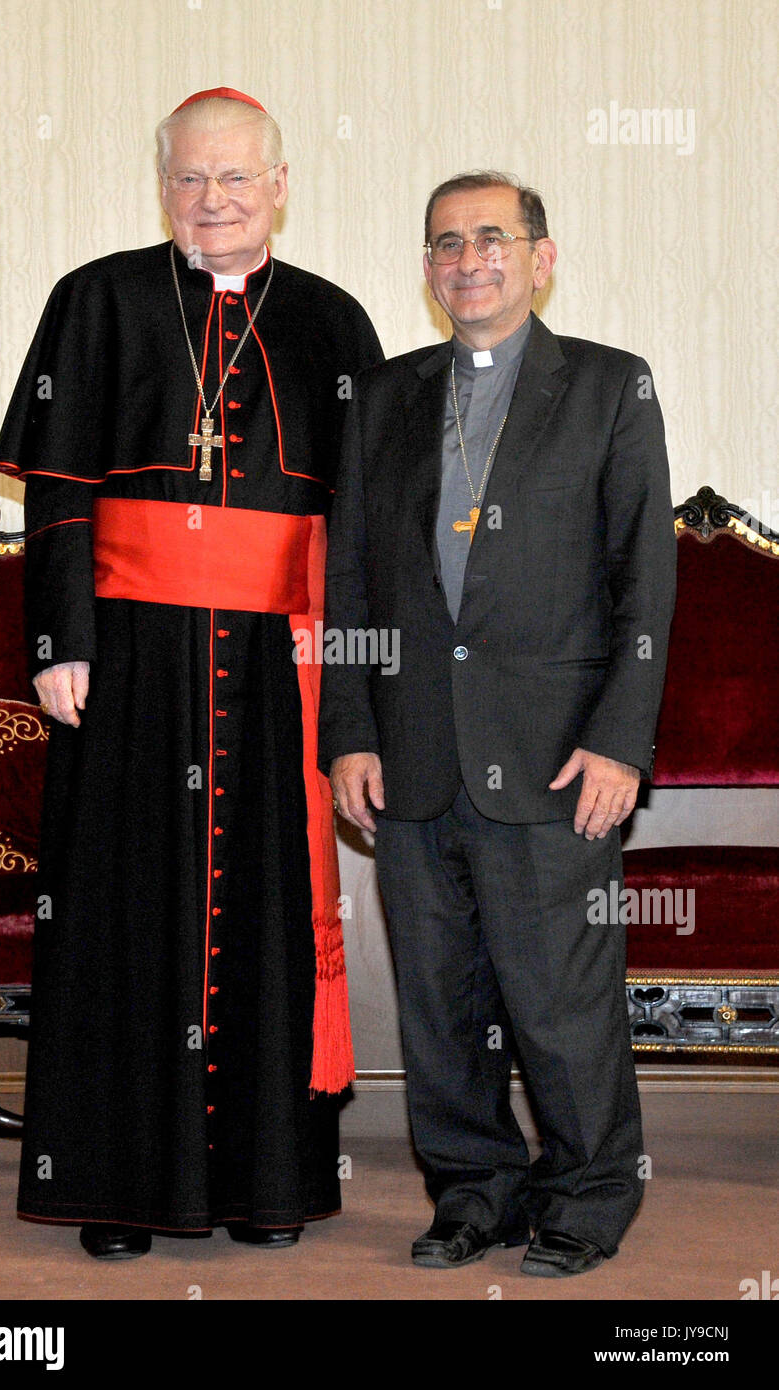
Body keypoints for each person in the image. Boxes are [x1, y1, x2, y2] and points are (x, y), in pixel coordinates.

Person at [0, 87, 382, 1259]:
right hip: (127, 657)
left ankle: (267, 1184)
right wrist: (57, 646)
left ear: (278, 186)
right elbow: (56, 492)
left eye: (234, 178)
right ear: (161, 186)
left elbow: (359, 525)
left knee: (263, 907)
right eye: (188, 179)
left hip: (276, 662)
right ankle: (116, 1189)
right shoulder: (94, 300)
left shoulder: (330, 321)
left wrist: (355, 681)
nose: (210, 200)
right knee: (117, 910)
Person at [320, 171, 676, 1276]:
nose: (466, 259)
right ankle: (474, 1192)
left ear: (539, 255)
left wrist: (621, 739)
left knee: (560, 1005)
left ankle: (586, 1196)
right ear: (424, 269)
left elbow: (644, 582)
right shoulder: (384, 398)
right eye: (444, 244)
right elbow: (349, 582)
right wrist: (348, 732)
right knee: (438, 1004)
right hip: (414, 752)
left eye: (490, 238)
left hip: (557, 756)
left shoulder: (611, 387)